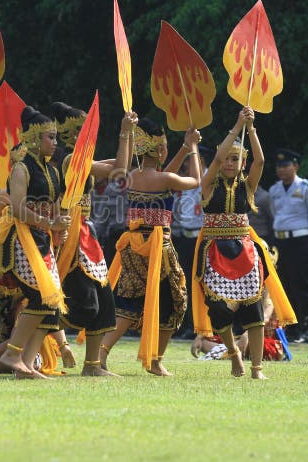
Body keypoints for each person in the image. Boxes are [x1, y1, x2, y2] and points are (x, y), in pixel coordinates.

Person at [190, 107, 296, 379]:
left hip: (245, 252)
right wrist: (237, 126)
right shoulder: (209, 184)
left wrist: (251, 128)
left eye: (235, 158)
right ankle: (233, 352)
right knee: (218, 309)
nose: (229, 162)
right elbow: (216, 160)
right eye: (227, 158)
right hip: (214, 252)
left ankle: (257, 368)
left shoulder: (247, 187)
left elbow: (260, 161)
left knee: (253, 310)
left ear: (243, 162)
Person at [100, 114, 202, 376]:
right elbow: (195, 180)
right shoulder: (165, 179)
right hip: (159, 249)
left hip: (133, 246)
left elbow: (166, 173)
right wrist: (193, 148)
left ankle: (101, 354)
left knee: (128, 302)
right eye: (164, 148)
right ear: (159, 151)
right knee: (174, 300)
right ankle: (155, 360)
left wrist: (183, 146)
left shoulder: (132, 176)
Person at [0, 106, 72, 379]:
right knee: (39, 295)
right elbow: (18, 208)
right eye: (50, 137)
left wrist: (60, 225)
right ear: (35, 138)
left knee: (52, 302)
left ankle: (23, 362)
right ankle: (12, 355)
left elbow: (55, 206)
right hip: (21, 239)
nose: (55, 143)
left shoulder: (53, 171)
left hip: (42, 239)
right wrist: (51, 223)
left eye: (56, 137)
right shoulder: (21, 169)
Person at [52, 101, 125, 376]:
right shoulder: (71, 159)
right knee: (83, 304)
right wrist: (124, 132)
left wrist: (128, 133)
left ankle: (92, 366)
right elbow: (119, 170)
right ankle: (32, 337)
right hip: (71, 234)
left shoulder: (81, 159)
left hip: (86, 233)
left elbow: (122, 165)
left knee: (104, 301)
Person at [268, 149, 308, 341]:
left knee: (301, 285)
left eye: (285, 166)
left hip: (300, 240)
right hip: (280, 241)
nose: (281, 170)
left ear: (295, 166)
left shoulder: (307, 188)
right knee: (284, 285)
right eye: (279, 166)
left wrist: (307, 236)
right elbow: (274, 214)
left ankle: (304, 328)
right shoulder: (274, 190)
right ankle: (288, 326)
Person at [172, 145, 215, 339]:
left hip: (203, 237)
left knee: (205, 283)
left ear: (201, 160)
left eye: (190, 159)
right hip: (184, 238)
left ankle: (207, 325)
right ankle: (190, 323)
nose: (186, 164)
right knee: (186, 283)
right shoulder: (184, 181)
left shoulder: (209, 178)